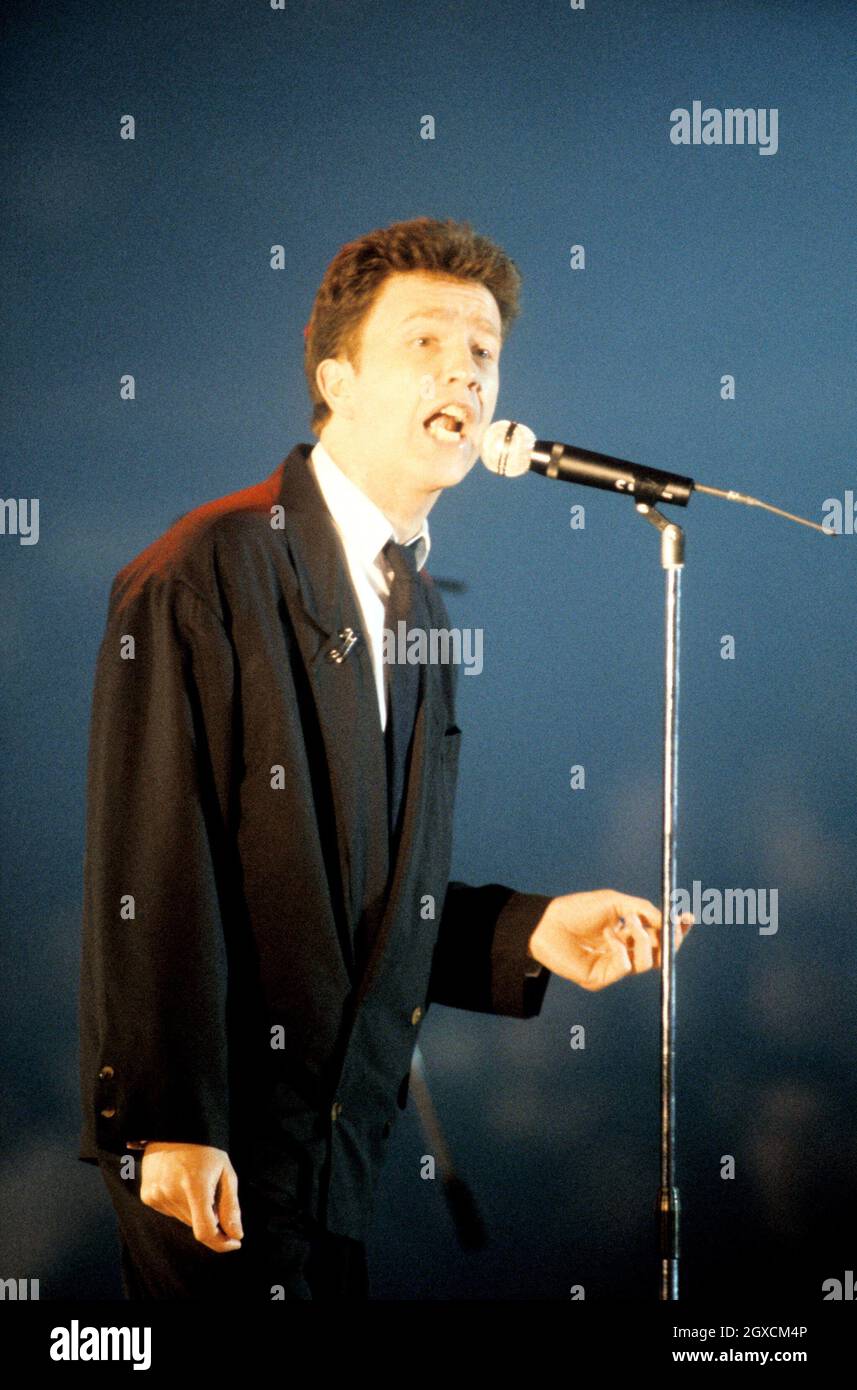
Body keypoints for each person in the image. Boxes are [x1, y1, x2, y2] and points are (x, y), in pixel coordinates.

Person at [78, 216, 693, 1301]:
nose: (463, 368)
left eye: (482, 352)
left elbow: (347, 899)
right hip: (213, 1158)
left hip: (334, 1156)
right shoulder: (199, 573)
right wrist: (168, 1126)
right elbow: (151, 865)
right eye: (425, 342)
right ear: (335, 377)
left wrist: (528, 930)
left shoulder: (410, 603)